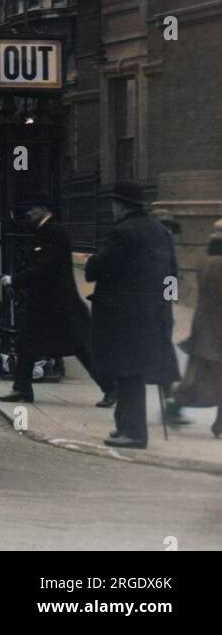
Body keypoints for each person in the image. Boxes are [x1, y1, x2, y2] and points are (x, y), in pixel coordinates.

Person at [85, 181, 180, 450]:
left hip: (123, 315)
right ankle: (123, 426)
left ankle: (135, 432)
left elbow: (98, 268)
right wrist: (166, 305)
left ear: (120, 205)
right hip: (152, 313)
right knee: (130, 371)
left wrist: (90, 262)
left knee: (127, 372)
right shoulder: (160, 232)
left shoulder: (122, 232)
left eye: (114, 203)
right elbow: (172, 272)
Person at [0, 201, 115, 406]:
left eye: (34, 209)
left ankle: (111, 389)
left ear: (46, 211)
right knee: (26, 343)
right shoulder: (42, 231)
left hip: (60, 305)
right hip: (43, 304)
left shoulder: (56, 233)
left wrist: (14, 280)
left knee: (82, 348)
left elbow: (45, 267)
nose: (30, 212)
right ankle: (22, 388)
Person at [172, 218, 222, 438]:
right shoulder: (216, 264)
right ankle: (175, 406)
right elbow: (169, 279)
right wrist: (168, 301)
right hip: (214, 331)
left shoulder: (206, 261)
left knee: (200, 378)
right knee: (200, 379)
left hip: (206, 329)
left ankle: (177, 405)